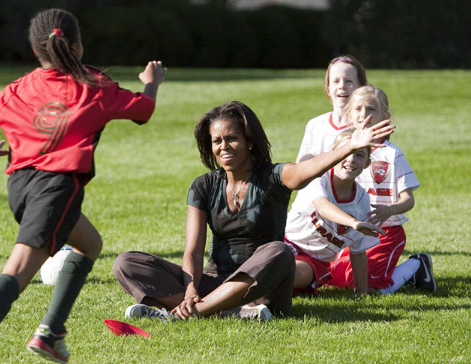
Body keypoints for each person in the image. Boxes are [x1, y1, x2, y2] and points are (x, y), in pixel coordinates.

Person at [0, 8, 167, 364]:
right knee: (20, 268)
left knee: (90, 244)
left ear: (36, 50)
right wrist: (152, 81)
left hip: (21, 188)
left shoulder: (19, 86)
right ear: (76, 45)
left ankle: (52, 332)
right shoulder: (94, 84)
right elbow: (143, 109)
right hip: (57, 189)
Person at [113, 101, 394, 322]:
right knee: (127, 263)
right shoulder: (203, 185)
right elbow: (193, 252)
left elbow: (304, 173)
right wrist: (191, 289)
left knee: (280, 252)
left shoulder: (273, 176)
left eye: (231, 138)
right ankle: (223, 310)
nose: (223, 147)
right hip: (216, 280)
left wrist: (348, 147)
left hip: (264, 288)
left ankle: (196, 312)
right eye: (217, 141)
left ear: (249, 140)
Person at [327, 85, 435, 294]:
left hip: (385, 232)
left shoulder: (392, 154)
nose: (363, 115)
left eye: (371, 109)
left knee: (370, 287)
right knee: (334, 278)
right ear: (348, 115)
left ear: (385, 116)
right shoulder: (341, 150)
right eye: (357, 109)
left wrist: (389, 210)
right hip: (352, 230)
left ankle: (416, 266)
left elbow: (408, 200)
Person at [285, 130, 383, 296]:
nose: (351, 159)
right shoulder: (317, 177)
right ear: (334, 155)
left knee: (290, 274)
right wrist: (353, 223)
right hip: (283, 241)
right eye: (347, 152)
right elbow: (323, 207)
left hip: (313, 261)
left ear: (367, 163)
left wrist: (362, 292)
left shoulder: (362, 201)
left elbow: (358, 251)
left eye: (359, 155)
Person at [296, 55, 367, 163]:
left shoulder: (364, 129)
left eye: (348, 81)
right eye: (336, 81)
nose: (342, 86)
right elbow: (300, 168)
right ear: (328, 88)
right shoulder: (314, 126)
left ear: (361, 88)